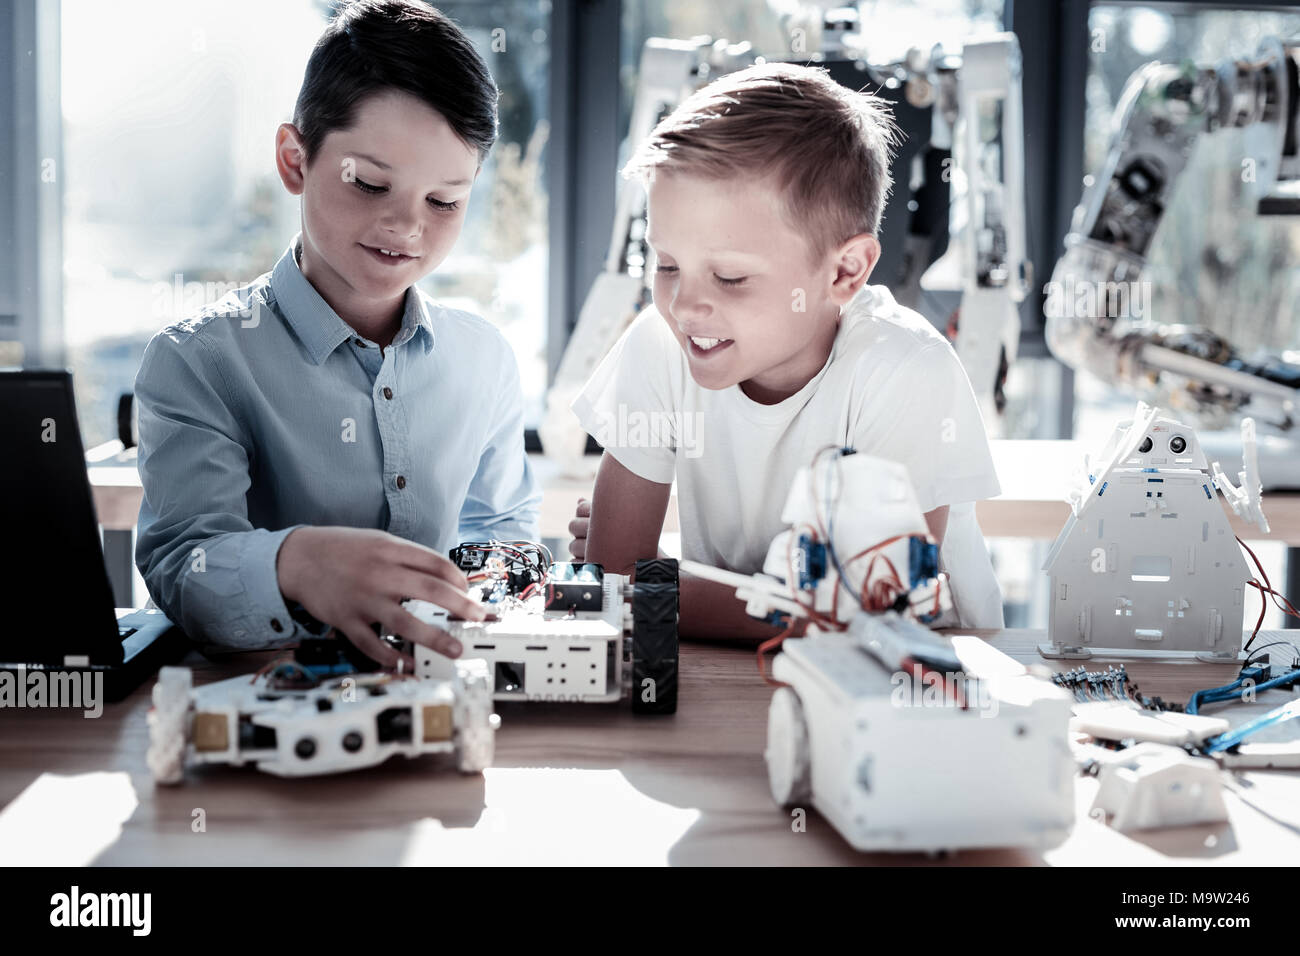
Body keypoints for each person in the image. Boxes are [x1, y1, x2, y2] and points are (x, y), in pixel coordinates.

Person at [135, 0, 540, 667]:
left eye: (444, 201)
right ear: (294, 160)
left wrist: (490, 587)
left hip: (440, 701)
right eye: (370, 182)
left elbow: (499, 528)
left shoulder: (485, 361)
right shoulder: (197, 361)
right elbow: (182, 565)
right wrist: (296, 562)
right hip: (263, 718)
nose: (406, 227)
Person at [568, 62, 1004, 640]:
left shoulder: (905, 369)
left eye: (729, 277)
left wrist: (660, 582)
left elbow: (877, 616)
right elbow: (613, 583)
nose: (685, 305)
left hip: (914, 695)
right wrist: (661, 584)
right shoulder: (659, 343)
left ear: (845, 271)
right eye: (667, 264)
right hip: (737, 672)